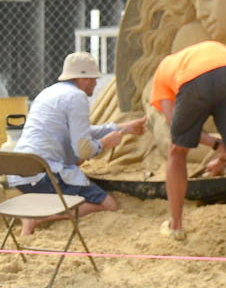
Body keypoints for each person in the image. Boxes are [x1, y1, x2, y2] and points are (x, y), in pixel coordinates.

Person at [149, 40, 226, 254]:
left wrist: (214, 145)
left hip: (194, 80)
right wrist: (222, 153)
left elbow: (175, 127)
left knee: (177, 150)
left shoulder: (162, 74)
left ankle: (175, 227)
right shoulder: (191, 57)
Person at [9, 50, 145, 232]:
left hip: (22, 173)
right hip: (44, 175)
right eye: (93, 78)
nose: (96, 83)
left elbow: (81, 132)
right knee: (109, 205)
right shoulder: (77, 97)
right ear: (83, 79)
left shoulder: (48, 93)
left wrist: (122, 127)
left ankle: (35, 215)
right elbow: (83, 150)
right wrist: (106, 143)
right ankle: (35, 219)